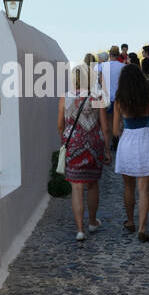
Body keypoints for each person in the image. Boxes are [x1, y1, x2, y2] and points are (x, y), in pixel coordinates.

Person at [57, 62, 111, 242]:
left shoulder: (65, 97)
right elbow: (105, 127)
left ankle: (80, 229)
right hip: (94, 144)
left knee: (77, 186)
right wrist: (108, 150)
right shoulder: (97, 96)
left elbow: (60, 125)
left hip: (74, 144)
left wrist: (65, 140)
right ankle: (93, 221)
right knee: (93, 184)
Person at [113, 62, 149, 242]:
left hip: (128, 142)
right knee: (144, 189)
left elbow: (115, 131)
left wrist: (126, 127)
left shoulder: (120, 101)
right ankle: (143, 228)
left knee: (128, 187)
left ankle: (131, 221)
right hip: (146, 141)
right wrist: (146, 126)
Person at [99, 46, 124, 152]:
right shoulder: (123, 66)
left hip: (106, 98)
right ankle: (119, 143)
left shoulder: (103, 66)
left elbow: (97, 77)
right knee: (120, 122)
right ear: (118, 55)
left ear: (110, 55)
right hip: (120, 98)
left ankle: (108, 148)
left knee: (108, 124)